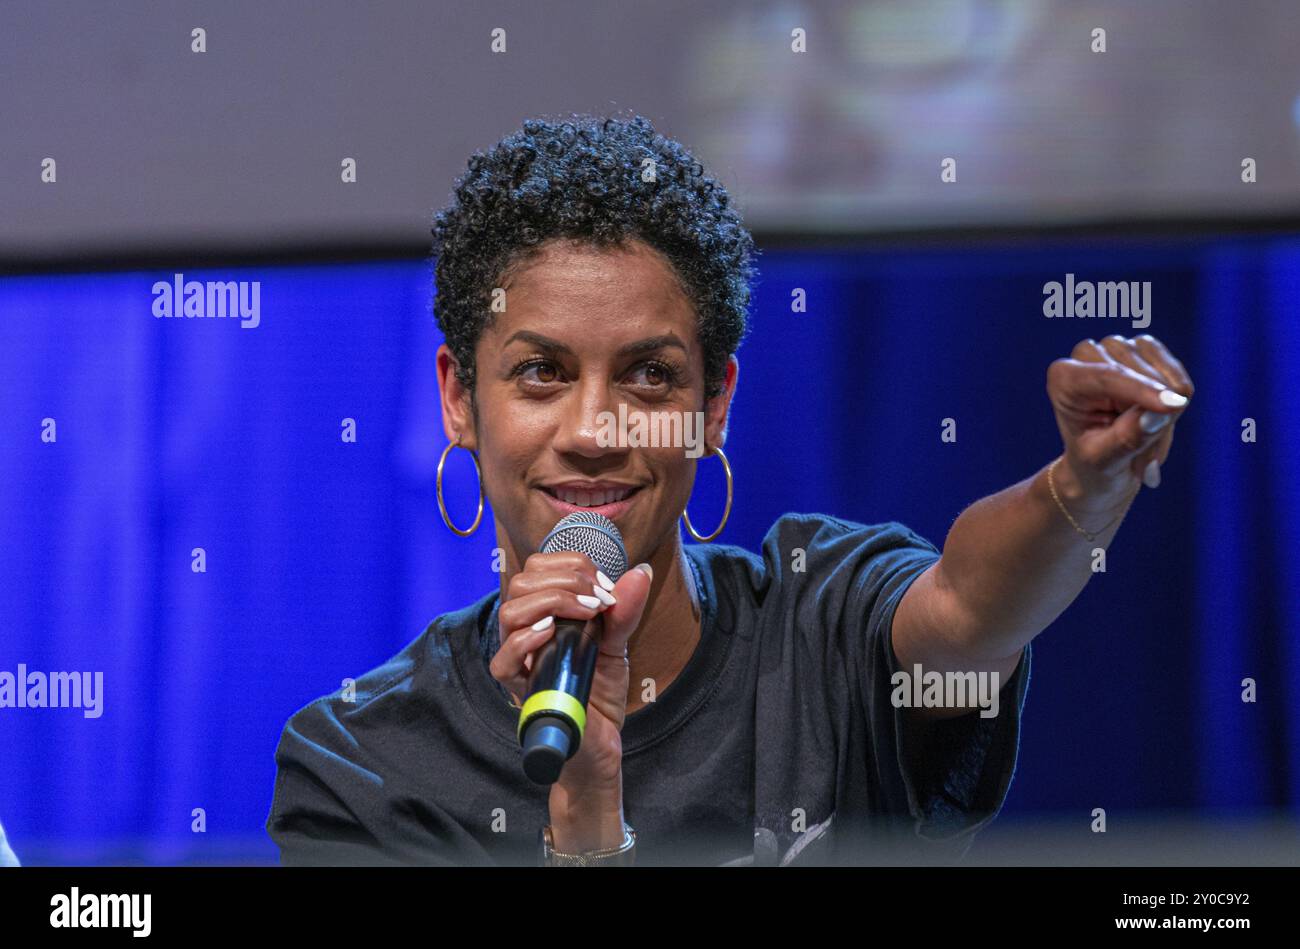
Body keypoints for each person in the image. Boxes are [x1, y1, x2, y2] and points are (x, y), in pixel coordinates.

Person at [266, 114, 1193, 866]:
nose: (595, 431)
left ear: (716, 404)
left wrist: (1084, 482)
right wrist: (585, 817)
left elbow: (965, 602)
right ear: (460, 398)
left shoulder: (822, 619)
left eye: (650, 377)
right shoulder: (363, 767)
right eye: (541, 372)